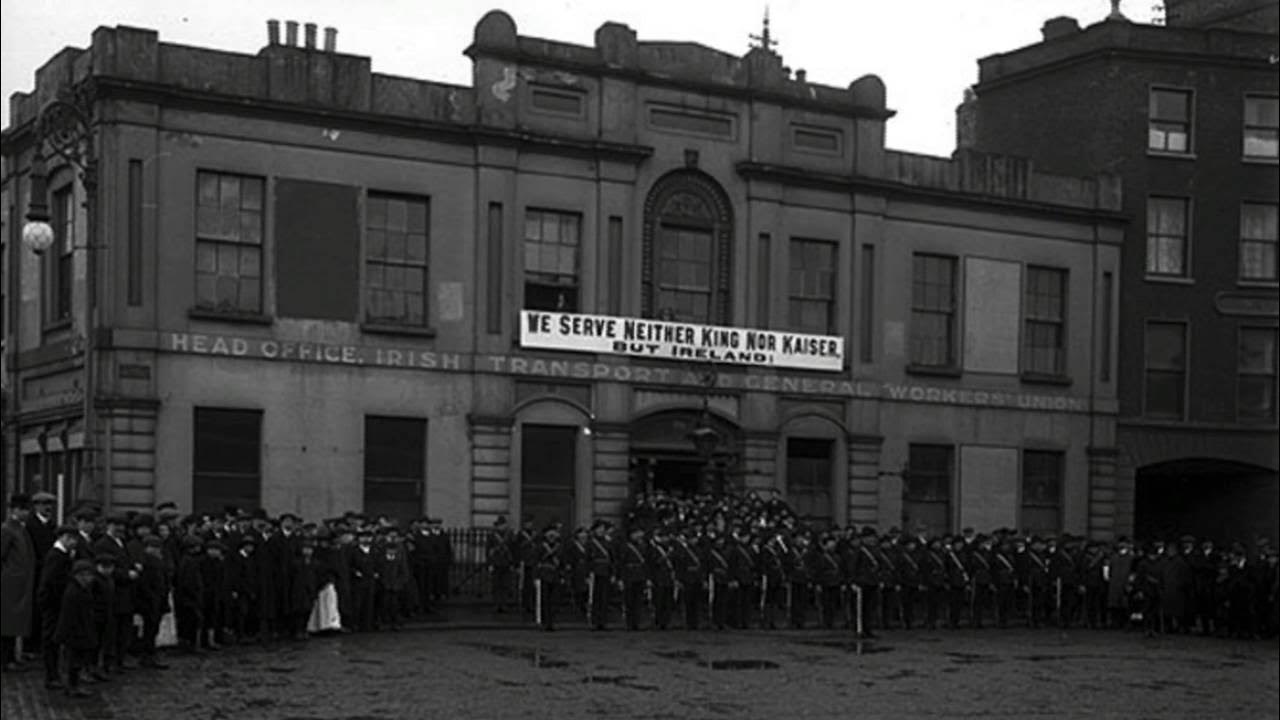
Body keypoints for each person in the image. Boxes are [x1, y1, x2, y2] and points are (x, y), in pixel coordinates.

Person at [36, 524, 79, 689]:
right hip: (53, 603)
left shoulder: (64, 554)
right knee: (51, 640)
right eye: (71, 539)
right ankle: (51, 676)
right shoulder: (57, 556)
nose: (74, 542)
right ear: (63, 538)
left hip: (55, 602)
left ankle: (54, 674)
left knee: (54, 639)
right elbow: (52, 582)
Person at [56, 560, 101, 698]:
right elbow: (71, 616)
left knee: (76, 660)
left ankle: (73, 685)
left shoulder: (80, 590)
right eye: (88, 575)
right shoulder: (74, 593)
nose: (91, 579)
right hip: (75, 633)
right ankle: (72, 686)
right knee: (73, 661)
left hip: (79, 630)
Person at [1, 494, 36, 671]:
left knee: (16, 623)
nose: (26, 513)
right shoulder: (7, 529)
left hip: (20, 584)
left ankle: (13, 656)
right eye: (23, 509)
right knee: (7, 623)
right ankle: (6, 659)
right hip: (10, 585)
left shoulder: (21, 529)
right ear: (14, 510)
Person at [25, 491, 58, 660]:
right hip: (36, 572)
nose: (48, 508)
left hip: (48, 573)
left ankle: (39, 645)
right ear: (36, 506)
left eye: (50, 505)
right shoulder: (30, 526)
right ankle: (30, 647)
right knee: (34, 610)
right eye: (44, 504)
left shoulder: (51, 525)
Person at [134, 535, 171, 668]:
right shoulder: (146, 562)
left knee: (153, 629)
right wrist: (152, 596)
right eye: (153, 547)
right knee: (149, 629)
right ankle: (146, 655)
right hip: (148, 600)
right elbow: (143, 583)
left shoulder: (159, 561)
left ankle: (149, 654)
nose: (156, 550)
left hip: (158, 598)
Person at [487, 518, 514, 614]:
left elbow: (512, 550)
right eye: (501, 525)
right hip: (496, 562)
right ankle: (496, 604)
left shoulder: (510, 536)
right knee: (496, 585)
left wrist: (512, 564)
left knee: (505, 585)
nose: (503, 526)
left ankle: (504, 604)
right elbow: (488, 550)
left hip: (506, 563)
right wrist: (490, 563)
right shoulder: (492, 536)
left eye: (504, 525)